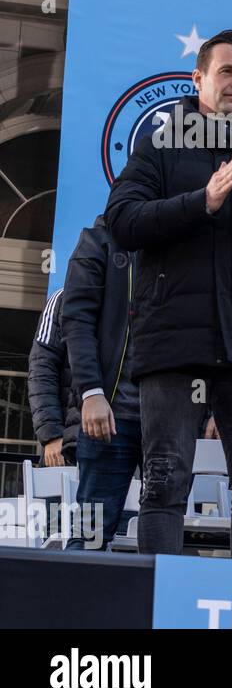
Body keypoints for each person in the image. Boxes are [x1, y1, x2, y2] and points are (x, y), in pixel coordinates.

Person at [106, 28, 232, 559]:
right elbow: (123, 223)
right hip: (173, 347)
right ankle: (159, 612)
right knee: (164, 484)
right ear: (198, 78)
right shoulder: (158, 149)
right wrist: (204, 199)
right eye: (227, 71)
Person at [61, 215, 140, 549]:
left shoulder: (182, 242)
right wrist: (91, 393)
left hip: (172, 417)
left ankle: (153, 603)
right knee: (88, 536)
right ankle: (73, 602)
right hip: (109, 417)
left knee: (165, 535)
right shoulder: (98, 240)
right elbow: (76, 320)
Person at [28, 289, 78, 468]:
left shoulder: (134, 296)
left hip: (123, 444)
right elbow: (41, 369)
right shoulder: (62, 298)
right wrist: (52, 435)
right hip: (66, 447)